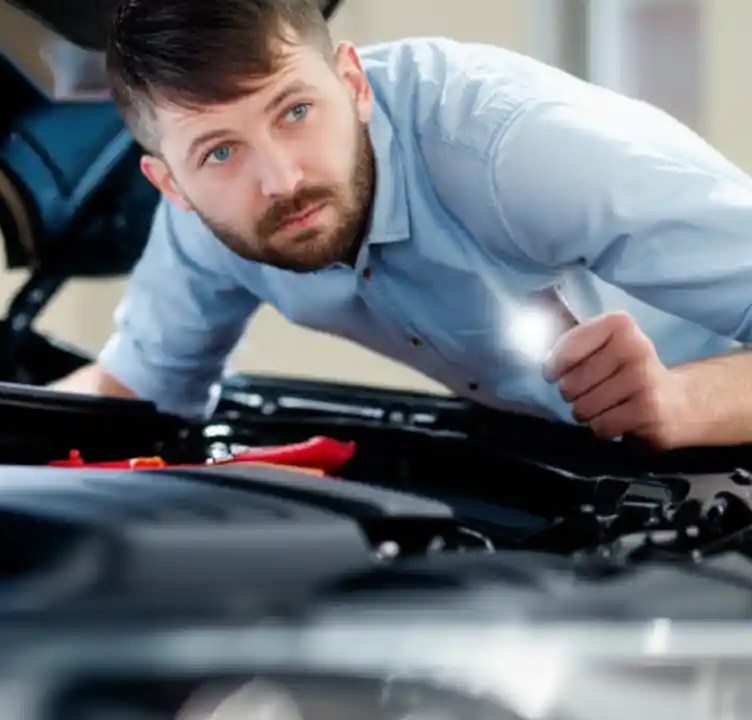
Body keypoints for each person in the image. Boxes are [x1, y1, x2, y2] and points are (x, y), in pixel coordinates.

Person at [52, 0, 752, 451]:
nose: (282, 180)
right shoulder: (206, 227)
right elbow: (135, 394)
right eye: (222, 151)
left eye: (295, 111)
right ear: (171, 185)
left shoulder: (513, 152)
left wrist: (680, 398)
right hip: (571, 468)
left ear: (353, 84)